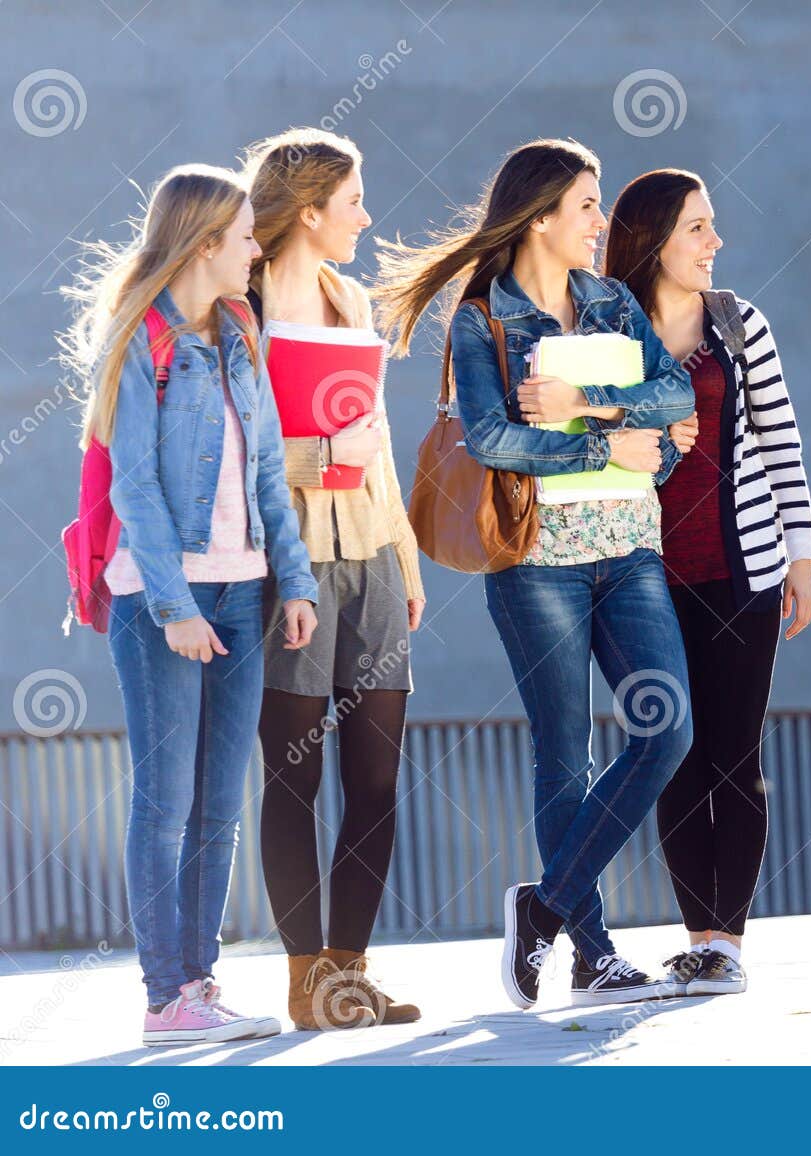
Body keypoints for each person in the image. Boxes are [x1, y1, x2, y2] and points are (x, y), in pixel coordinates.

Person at [372, 138, 695, 1007]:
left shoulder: (615, 303)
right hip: (535, 561)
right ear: (544, 215)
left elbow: (675, 398)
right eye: (587, 207)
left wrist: (587, 405)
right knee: (564, 756)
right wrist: (604, 441)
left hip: (630, 548)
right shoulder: (483, 320)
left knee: (668, 733)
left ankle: (543, 909)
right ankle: (592, 953)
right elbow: (492, 439)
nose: (601, 223)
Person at [60, 164, 320, 1044]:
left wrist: (295, 579)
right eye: (246, 235)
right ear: (206, 243)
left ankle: (201, 987)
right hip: (161, 597)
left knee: (218, 803)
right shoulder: (142, 339)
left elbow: (268, 473)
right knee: (165, 802)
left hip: (245, 591)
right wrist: (173, 605)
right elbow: (134, 481)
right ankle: (164, 996)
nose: (256, 249)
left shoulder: (243, 331)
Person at [597, 168, 811, 996]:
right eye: (698, 227)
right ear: (655, 237)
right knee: (672, 756)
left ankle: (725, 944)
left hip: (745, 572)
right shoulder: (608, 327)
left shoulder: (738, 323)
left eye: (713, 225)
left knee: (736, 756)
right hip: (642, 581)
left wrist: (802, 557)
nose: (714, 241)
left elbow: (781, 440)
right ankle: (695, 934)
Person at [244, 127, 424, 1030]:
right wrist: (316, 456)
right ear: (310, 213)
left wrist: (404, 551)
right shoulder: (234, 311)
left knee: (378, 777)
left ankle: (349, 977)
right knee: (294, 778)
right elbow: (225, 456)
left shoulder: (349, 297)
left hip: (371, 557)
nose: (365, 215)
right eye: (353, 201)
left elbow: (377, 441)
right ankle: (304, 981)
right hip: (289, 567)